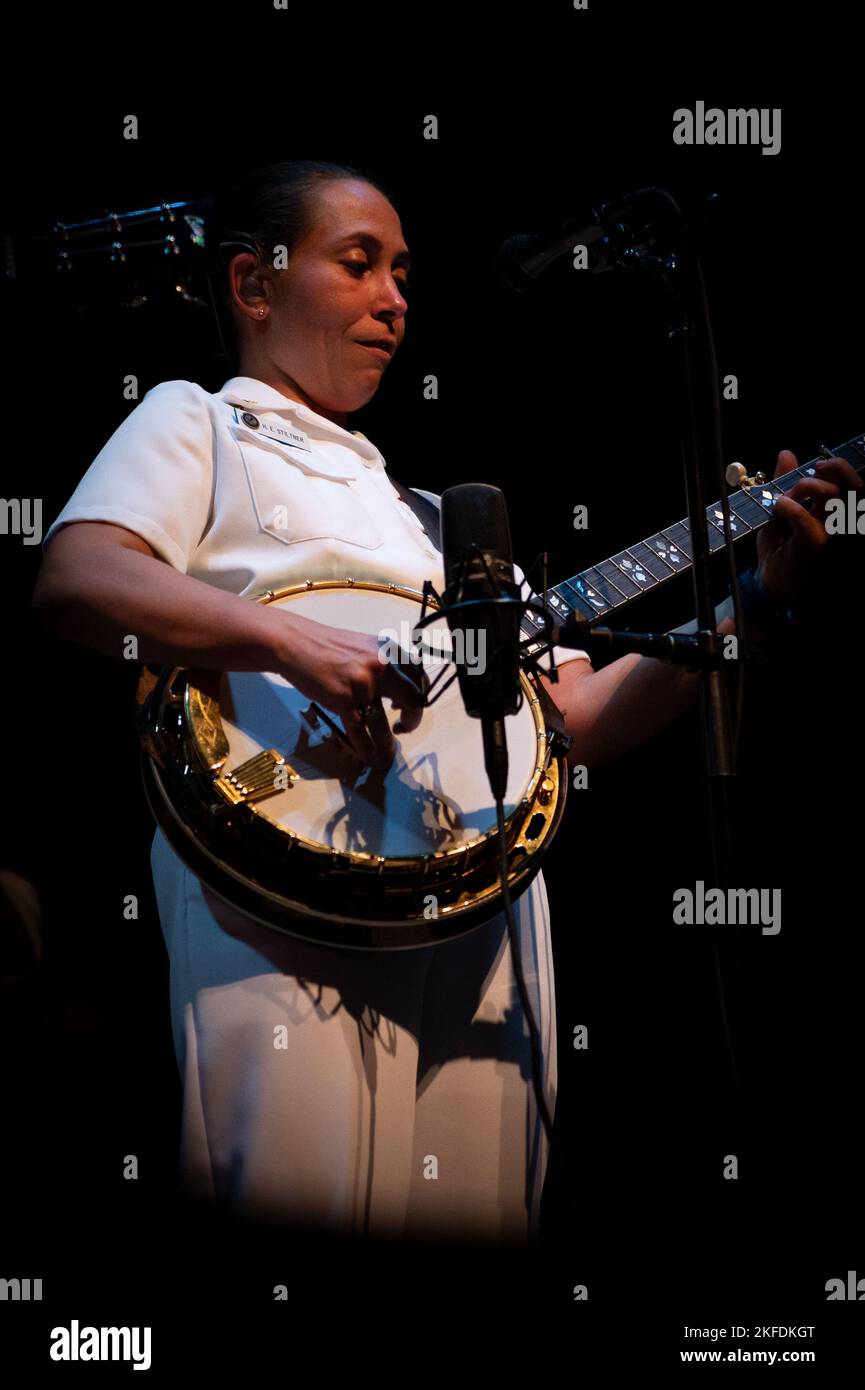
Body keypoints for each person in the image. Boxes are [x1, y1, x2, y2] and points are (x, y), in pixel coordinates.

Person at [31, 159, 858, 1245]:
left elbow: (577, 714)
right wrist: (290, 638)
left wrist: (748, 601)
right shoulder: (200, 425)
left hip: (480, 912)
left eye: (406, 273)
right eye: (359, 263)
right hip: (283, 900)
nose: (395, 298)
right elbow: (80, 578)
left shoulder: (441, 522)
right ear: (253, 284)